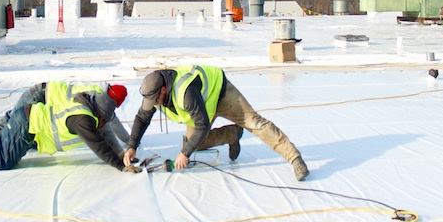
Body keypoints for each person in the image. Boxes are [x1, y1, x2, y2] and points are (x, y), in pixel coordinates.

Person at [123, 65, 309, 181]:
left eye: (156, 99)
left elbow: (202, 125)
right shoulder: (154, 95)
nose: (154, 104)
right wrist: (132, 147)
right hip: (201, 108)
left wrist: (185, 153)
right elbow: (141, 118)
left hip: (221, 93)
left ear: (163, 89)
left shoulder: (184, 92)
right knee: (196, 142)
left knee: (254, 123)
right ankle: (232, 134)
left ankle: (295, 159)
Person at [0, 82, 142, 173]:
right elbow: (99, 144)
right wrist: (120, 164)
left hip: (34, 116)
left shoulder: (93, 100)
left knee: (6, 134)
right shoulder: (84, 118)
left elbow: (105, 131)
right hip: (36, 105)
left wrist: (128, 147)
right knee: (1, 157)